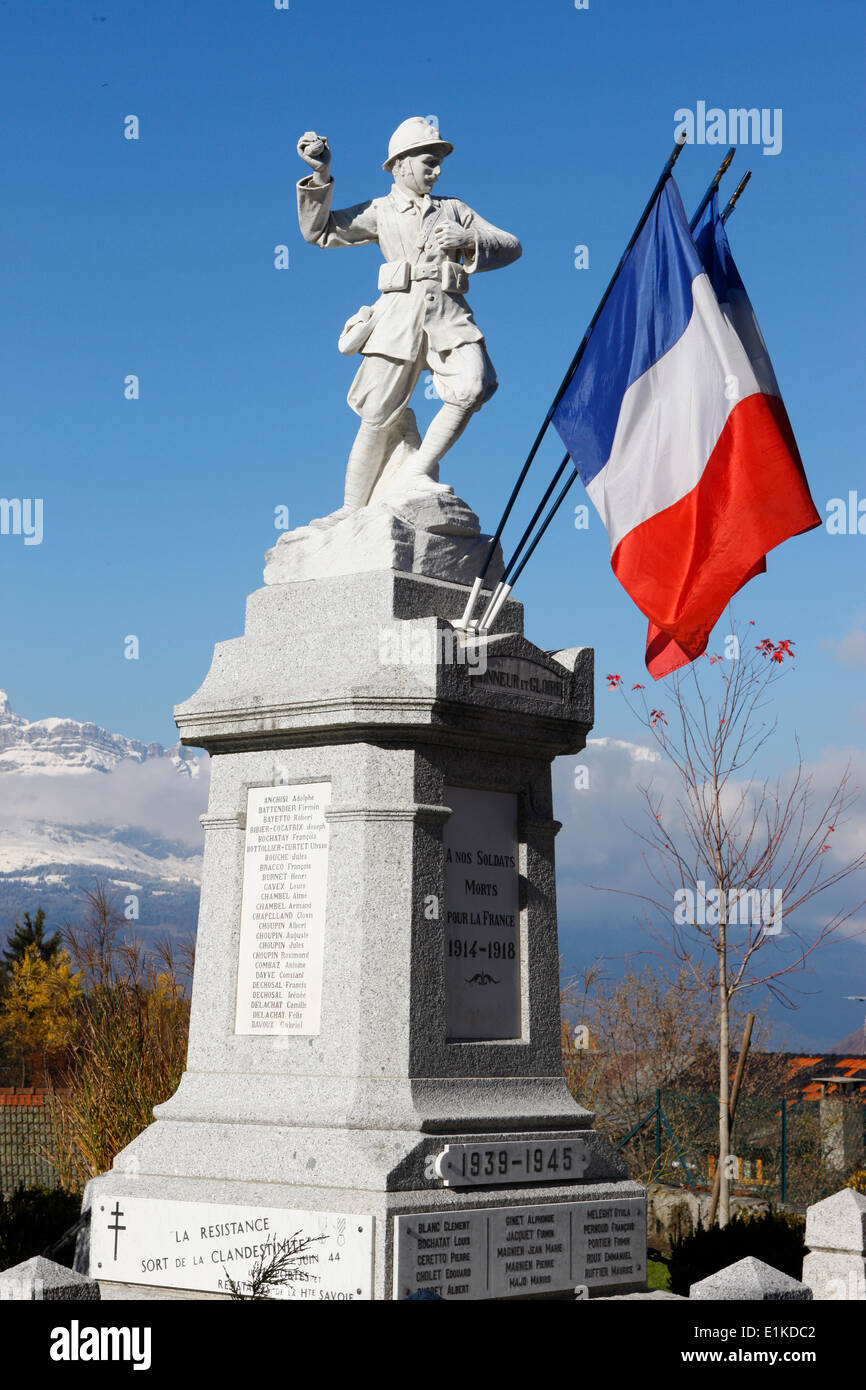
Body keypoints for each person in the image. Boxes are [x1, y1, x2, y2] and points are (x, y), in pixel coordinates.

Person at [297, 118, 521, 519]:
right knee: (378, 414)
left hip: (449, 315)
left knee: (471, 388)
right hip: (399, 316)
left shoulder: (454, 210)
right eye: (428, 162)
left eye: (438, 164)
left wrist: (466, 239)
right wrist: (321, 172)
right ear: (400, 164)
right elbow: (320, 231)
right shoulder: (380, 210)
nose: (436, 171)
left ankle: (415, 473)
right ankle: (350, 509)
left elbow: (511, 245)